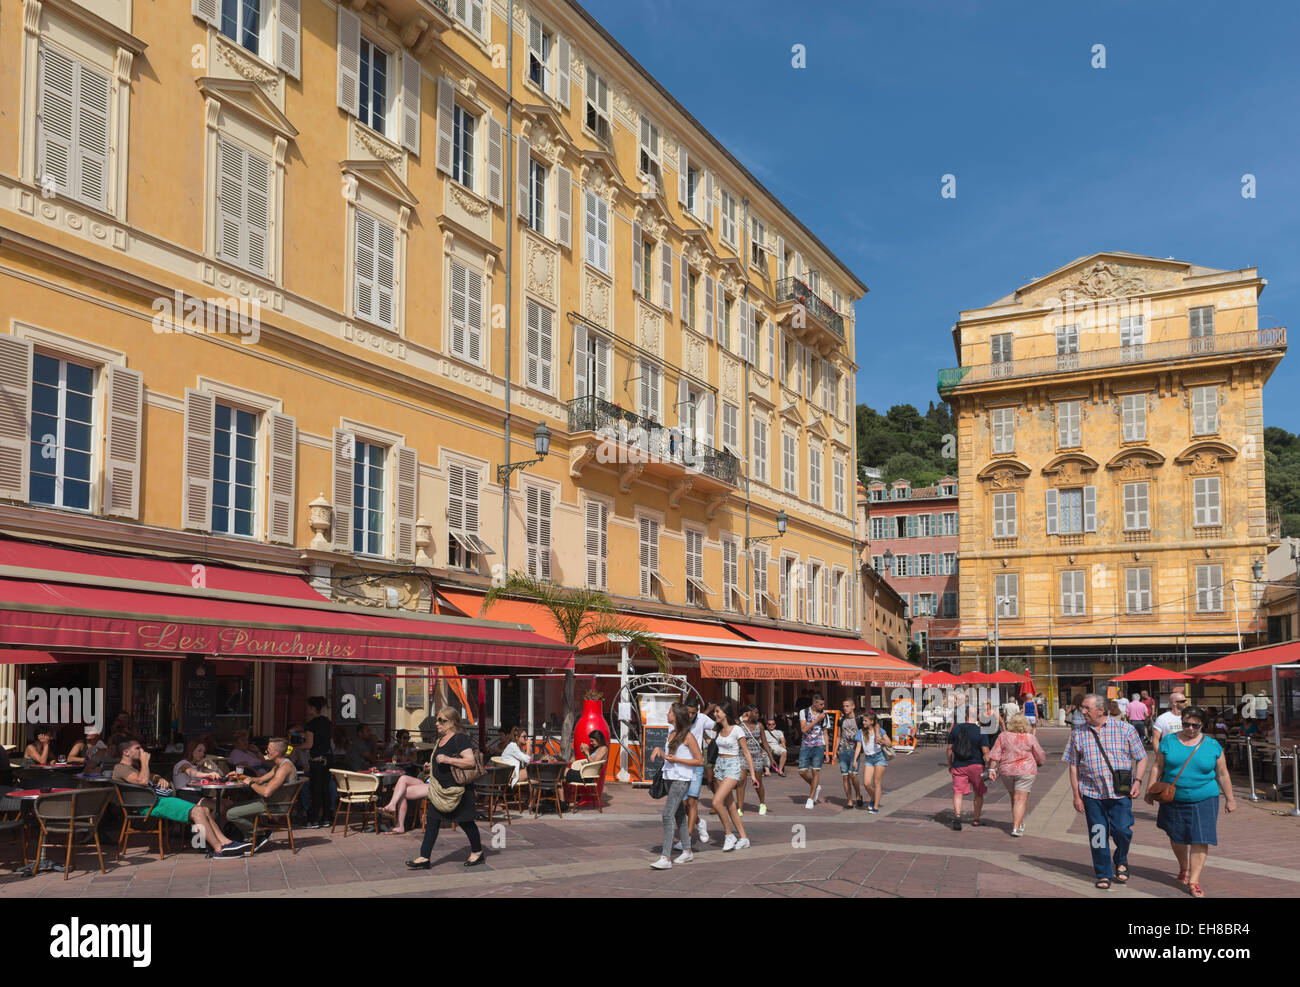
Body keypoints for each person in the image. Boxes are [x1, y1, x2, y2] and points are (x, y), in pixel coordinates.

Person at [1148, 704, 1236, 897]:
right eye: (1186, 724)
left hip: (1204, 797)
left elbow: (1222, 773)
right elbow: (1157, 766)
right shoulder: (1169, 741)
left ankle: (1193, 881)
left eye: (1195, 726)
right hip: (1173, 797)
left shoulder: (1212, 746)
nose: (1190, 729)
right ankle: (1184, 866)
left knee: (1200, 838)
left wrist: (1230, 799)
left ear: (1202, 725)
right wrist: (1150, 788)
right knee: (1176, 836)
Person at [1063, 693, 1148, 890]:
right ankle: (1103, 873)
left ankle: (1121, 858)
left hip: (1120, 793)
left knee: (1122, 831)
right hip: (1092, 794)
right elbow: (1073, 766)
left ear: (1101, 710)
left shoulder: (1125, 729)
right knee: (1098, 834)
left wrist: (1138, 781)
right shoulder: (1078, 733)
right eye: (1081, 708)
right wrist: (1076, 795)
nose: (1082, 712)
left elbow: (1141, 757)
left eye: (1086, 708)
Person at [113, 739, 249, 856]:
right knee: (198, 811)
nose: (142, 750)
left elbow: (149, 776)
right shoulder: (120, 768)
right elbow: (142, 780)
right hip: (150, 804)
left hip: (159, 800)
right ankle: (218, 849)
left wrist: (159, 778)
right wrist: (145, 762)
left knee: (205, 810)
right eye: (137, 748)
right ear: (126, 752)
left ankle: (226, 842)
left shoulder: (133, 769)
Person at [407, 708, 484, 869]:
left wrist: (448, 759)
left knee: (466, 823)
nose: (437, 723)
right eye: (437, 719)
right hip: (439, 791)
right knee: (432, 823)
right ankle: (424, 857)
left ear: (451, 722)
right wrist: (431, 766)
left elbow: (470, 762)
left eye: (441, 720)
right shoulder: (440, 740)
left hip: (458, 792)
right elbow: (440, 761)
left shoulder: (459, 739)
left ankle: (477, 852)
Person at [649, 702, 704, 869]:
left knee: (667, 815)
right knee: (679, 815)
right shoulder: (672, 733)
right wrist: (660, 750)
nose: (667, 714)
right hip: (669, 778)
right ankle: (687, 851)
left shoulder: (688, 737)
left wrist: (677, 760)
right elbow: (670, 756)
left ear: (676, 716)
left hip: (681, 780)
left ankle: (666, 857)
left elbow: (700, 761)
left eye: (670, 712)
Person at [225, 739, 297, 853]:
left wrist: (251, 783)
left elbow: (266, 792)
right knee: (229, 807)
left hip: (274, 805)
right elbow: (260, 779)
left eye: (269, 749)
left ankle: (259, 835)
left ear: (277, 752)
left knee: (230, 813)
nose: (266, 751)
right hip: (269, 802)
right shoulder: (279, 766)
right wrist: (242, 776)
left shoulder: (284, 768)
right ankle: (253, 835)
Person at [986, 712, 1046, 836]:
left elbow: (995, 754)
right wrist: (1039, 763)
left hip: (1007, 771)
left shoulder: (1003, 736)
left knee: (1014, 797)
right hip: (1026, 771)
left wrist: (991, 769)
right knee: (1021, 798)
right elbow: (1040, 754)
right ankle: (1016, 827)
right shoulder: (1030, 738)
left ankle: (1018, 822)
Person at [709, 702, 754, 851]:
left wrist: (752, 774)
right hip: (719, 766)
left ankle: (729, 835)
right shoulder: (719, 730)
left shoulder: (737, 730)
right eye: (715, 712)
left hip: (732, 766)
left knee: (716, 802)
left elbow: (746, 752)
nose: (715, 714)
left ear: (725, 713)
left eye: (717, 712)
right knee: (730, 806)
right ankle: (744, 838)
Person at [947, 705, 989, 831]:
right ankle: (976, 819)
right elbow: (986, 751)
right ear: (977, 716)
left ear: (964, 715)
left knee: (958, 792)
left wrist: (950, 764)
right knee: (978, 793)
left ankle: (958, 816)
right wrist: (989, 766)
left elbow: (949, 749)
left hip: (959, 765)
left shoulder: (955, 729)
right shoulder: (981, 731)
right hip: (977, 765)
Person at [683, 699, 717, 845]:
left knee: (692, 801)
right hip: (681, 764)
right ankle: (700, 822)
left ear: (697, 710)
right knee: (683, 803)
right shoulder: (680, 717)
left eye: (693, 713)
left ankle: (687, 839)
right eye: (688, 713)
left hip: (696, 765)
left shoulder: (702, 718)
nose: (691, 716)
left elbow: (718, 726)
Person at [854, 711, 893, 814]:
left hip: (879, 758)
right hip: (868, 759)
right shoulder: (861, 732)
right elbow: (858, 747)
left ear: (871, 721)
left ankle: (875, 806)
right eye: (863, 720)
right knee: (866, 783)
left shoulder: (879, 730)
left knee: (876, 783)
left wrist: (882, 741)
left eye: (865, 721)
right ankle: (874, 797)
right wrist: (854, 760)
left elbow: (889, 743)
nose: (863, 722)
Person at [302, 696, 333, 829]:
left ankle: (314, 819)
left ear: (312, 708)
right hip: (328, 759)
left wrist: (292, 745)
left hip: (317, 761)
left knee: (315, 791)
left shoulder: (311, 724)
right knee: (325, 790)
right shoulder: (327, 721)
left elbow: (309, 745)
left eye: (308, 707)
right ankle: (327, 818)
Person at [736, 705, 773, 814]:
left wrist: (771, 757)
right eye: (755, 713)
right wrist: (742, 718)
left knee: (757, 782)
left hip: (756, 756)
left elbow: (764, 742)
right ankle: (740, 808)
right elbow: (732, 722)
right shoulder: (740, 725)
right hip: (742, 755)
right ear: (748, 713)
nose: (758, 715)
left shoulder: (760, 725)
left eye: (758, 713)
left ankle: (762, 803)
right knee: (741, 781)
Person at [798, 693, 829, 809]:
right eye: (821, 704)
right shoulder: (804, 712)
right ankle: (815, 786)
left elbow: (825, 733)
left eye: (823, 704)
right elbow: (804, 729)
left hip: (819, 745)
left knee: (816, 771)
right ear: (814, 703)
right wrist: (817, 720)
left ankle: (810, 798)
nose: (823, 706)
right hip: (806, 745)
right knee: (802, 771)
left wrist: (827, 752)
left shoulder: (824, 715)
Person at [380, 765, 430, 834]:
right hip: (425, 783)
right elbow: (420, 777)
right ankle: (392, 804)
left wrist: (434, 768)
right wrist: (425, 770)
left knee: (401, 791)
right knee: (403, 778)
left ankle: (399, 825)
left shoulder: (445, 758)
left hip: (435, 786)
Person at [837, 699, 865, 809]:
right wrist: (835, 752)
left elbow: (865, 734)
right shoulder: (841, 720)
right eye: (844, 706)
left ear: (853, 706)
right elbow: (839, 736)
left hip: (855, 751)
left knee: (853, 775)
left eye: (847, 706)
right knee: (845, 777)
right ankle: (849, 801)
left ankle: (858, 795)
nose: (845, 708)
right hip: (843, 751)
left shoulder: (859, 720)